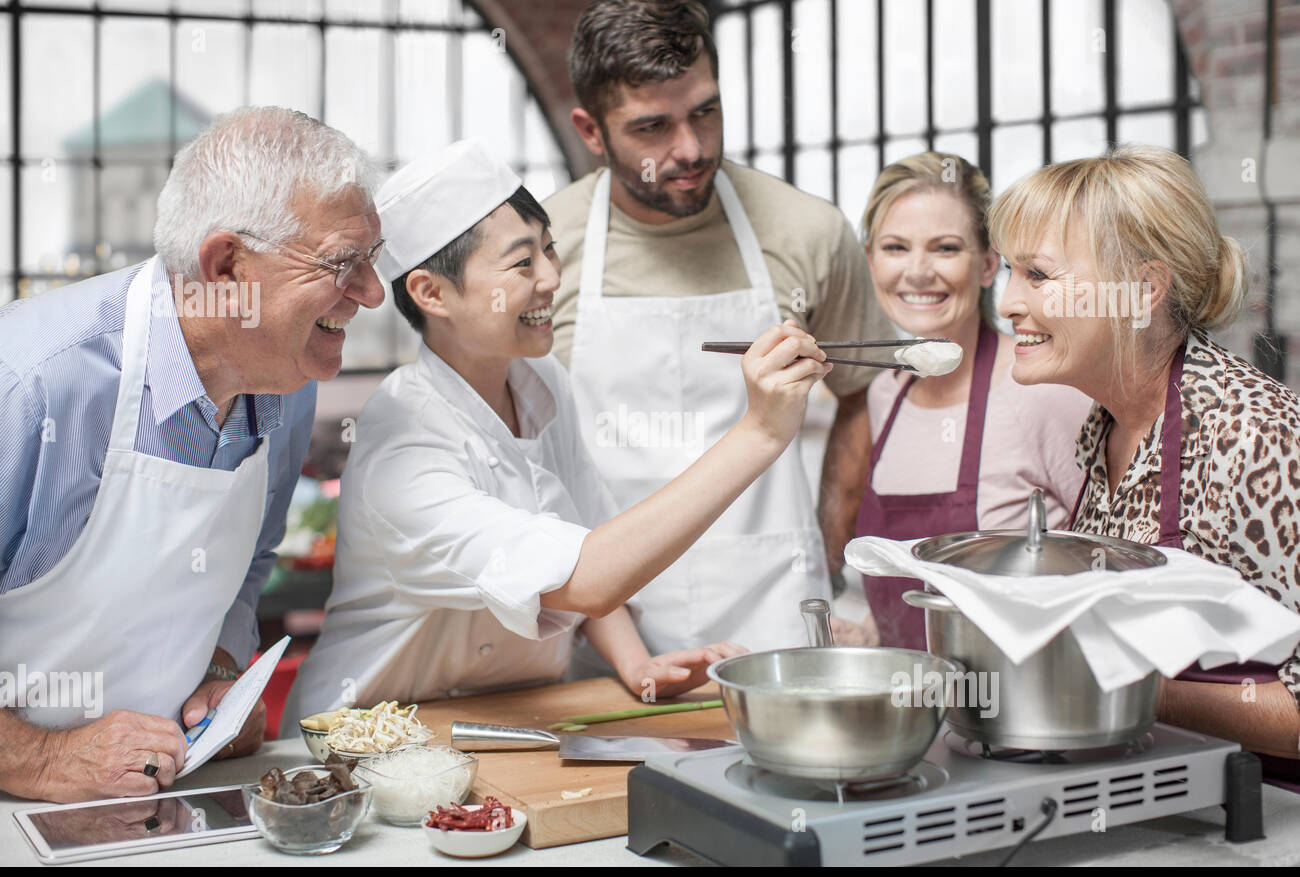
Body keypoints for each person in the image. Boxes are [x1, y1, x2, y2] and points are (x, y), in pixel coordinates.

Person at [288, 141, 827, 719]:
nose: (550, 278)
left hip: (508, 716)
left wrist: (637, 666)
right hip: (367, 736)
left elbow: (584, 531)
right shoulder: (405, 449)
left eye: (549, 249)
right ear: (431, 293)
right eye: (522, 263)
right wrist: (760, 434)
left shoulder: (540, 379)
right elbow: (588, 577)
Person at [0, 107, 384, 803]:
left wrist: (221, 671)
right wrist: (42, 759)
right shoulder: (30, 384)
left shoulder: (285, 380)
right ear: (226, 265)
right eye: (341, 265)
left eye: (373, 260)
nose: (372, 293)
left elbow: (244, 569)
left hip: (165, 801)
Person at [543, 0, 893, 667]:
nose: (692, 149)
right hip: (606, 628)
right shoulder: (544, 252)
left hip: (771, 611)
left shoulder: (805, 231)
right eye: (653, 127)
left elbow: (861, 394)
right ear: (591, 131)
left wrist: (826, 542)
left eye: (705, 111)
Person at [988, 144, 1300, 781]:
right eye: (1009, 273)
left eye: (1039, 276)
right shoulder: (1103, 426)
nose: (1008, 303)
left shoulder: (1252, 436)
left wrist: (1121, 682)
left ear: (1143, 289)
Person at [844, 153, 1093, 649]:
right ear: (871, 260)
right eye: (895, 247)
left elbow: (1110, 566)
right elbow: (910, 590)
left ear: (986, 265)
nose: (917, 272)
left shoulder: (1043, 391)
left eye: (945, 248)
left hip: (1018, 707)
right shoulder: (885, 393)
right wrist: (869, 635)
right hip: (908, 713)